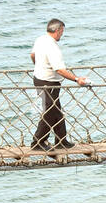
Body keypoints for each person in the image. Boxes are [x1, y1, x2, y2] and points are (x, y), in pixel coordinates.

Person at [30, 18, 87, 149]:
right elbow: (59, 69)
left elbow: (33, 55)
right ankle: (37, 142)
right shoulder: (53, 47)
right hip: (48, 83)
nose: (62, 34)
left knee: (56, 111)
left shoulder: (40, 39)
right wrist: (76, 79)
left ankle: (61, 141)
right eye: (62, 31)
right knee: (50, 112)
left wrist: (39, 65)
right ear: (57, 30)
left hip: (39, 78)